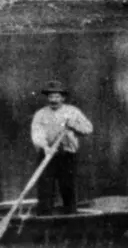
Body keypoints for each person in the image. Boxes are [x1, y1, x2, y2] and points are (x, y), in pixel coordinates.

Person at [30, 80, 93, 215]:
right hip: (47, 155)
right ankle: (44, 219)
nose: (53, 100)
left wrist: (74, 126)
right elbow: (37, 133)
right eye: (51, 97)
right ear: (47, 98)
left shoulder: (73, 112)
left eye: (57, 96)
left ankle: (71, 217)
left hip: (67, 156)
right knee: (45, 191)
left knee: (68, 189)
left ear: (63, 98)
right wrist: (45, 147)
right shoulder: (40, 114)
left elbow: (88, 129)